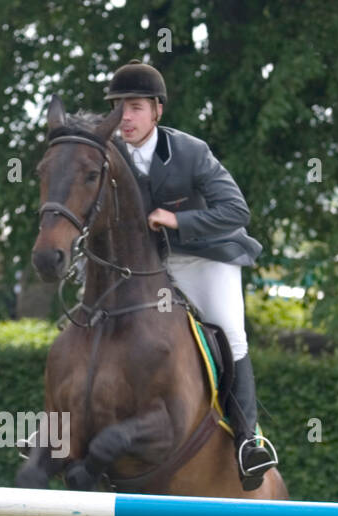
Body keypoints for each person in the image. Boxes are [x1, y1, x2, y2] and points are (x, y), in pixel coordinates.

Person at [105, 60, 278, 490]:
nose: (125, 117)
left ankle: (247, 441)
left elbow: (236, 211)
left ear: (157, 110)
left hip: (206, 258)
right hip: (150, 265)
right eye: (119, 107)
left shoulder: (190, 151)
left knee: (231, 334)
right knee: (100, 322)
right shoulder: (108, 154)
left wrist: (177, 220)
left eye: (136, 107)